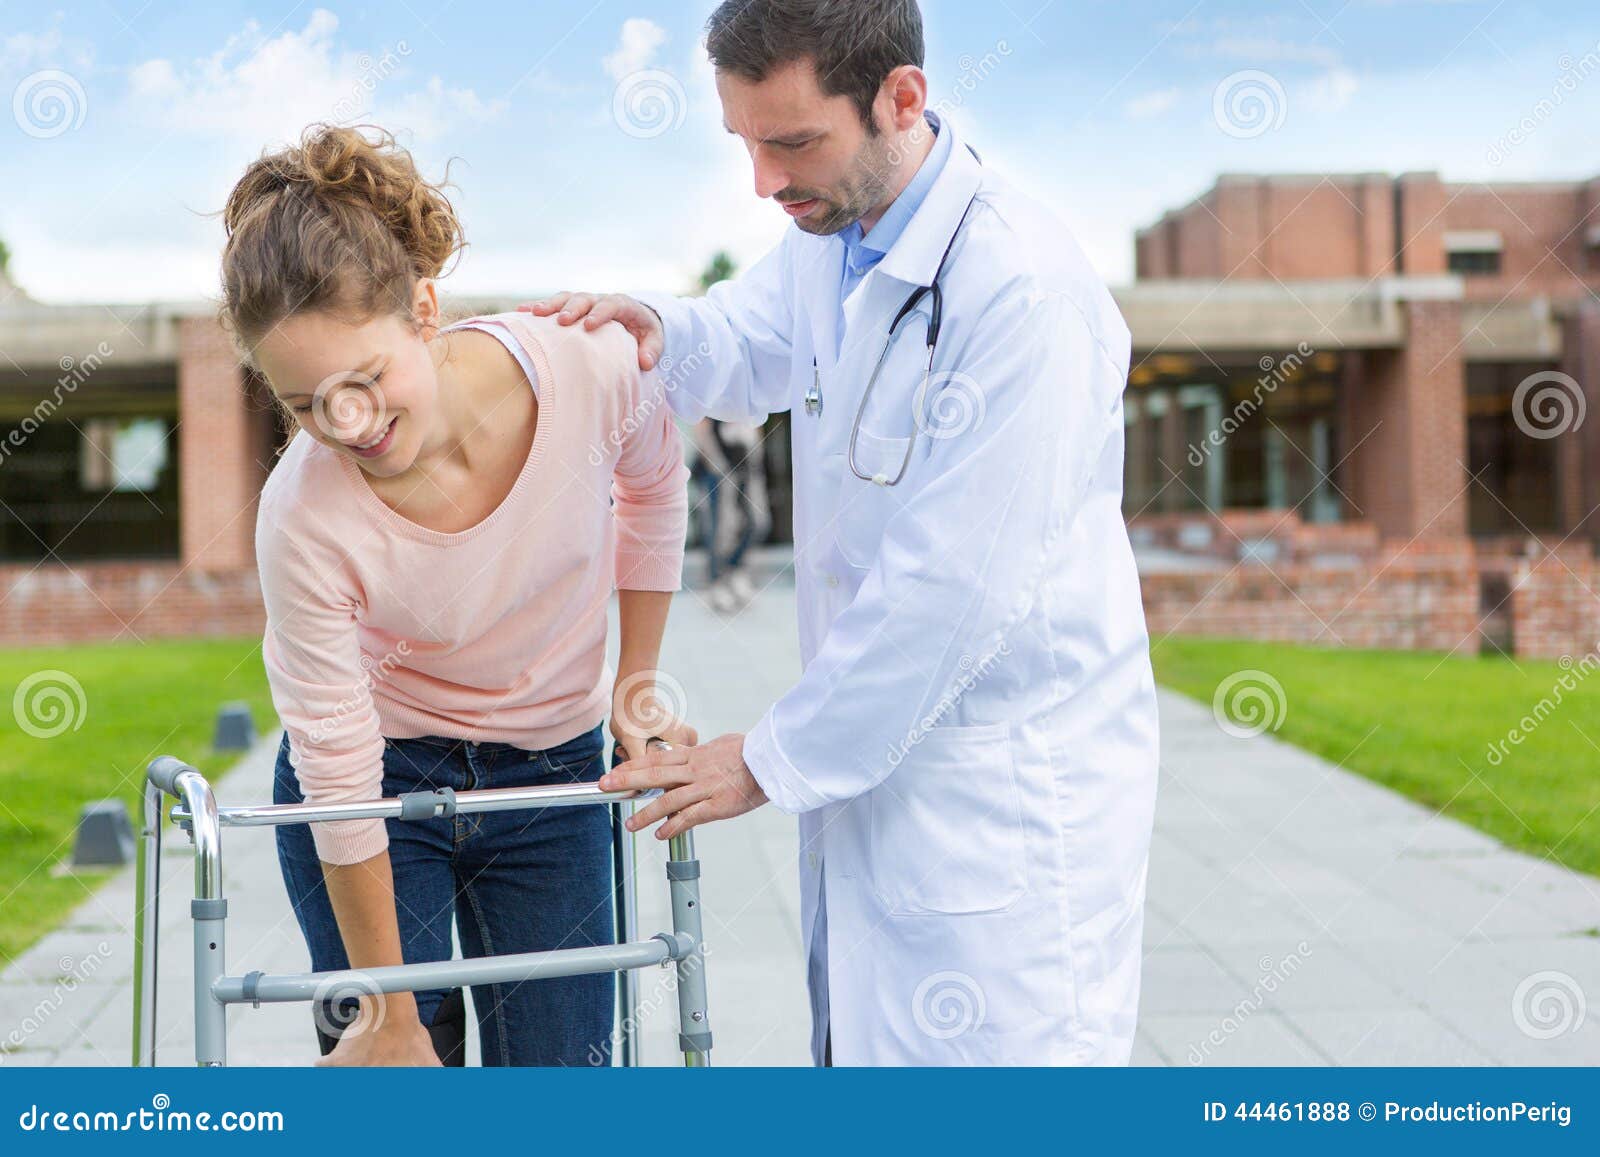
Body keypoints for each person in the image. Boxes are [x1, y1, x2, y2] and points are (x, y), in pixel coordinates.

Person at [524, 0, 1160, 1066]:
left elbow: (950, 590)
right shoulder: (839, 235)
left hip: (999, 797)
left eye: (791, 142)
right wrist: (658, 326)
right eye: (745, 144)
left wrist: (766, 759)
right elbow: (749, 331)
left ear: (900, 98)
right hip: (883, 782)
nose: (764, 183)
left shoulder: (1024, 293)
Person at [220, 123, 693, 1066]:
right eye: (308, 403)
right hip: (381, 785)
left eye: (365, 378)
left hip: (553, 774)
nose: (348, 422)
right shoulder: (301, 517)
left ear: (425, 312)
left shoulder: (588, 369)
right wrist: (389, 1015)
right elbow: (339, 767)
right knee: (400, 1080)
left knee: (562, 1080)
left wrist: (635, 679)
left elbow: (656, 481)